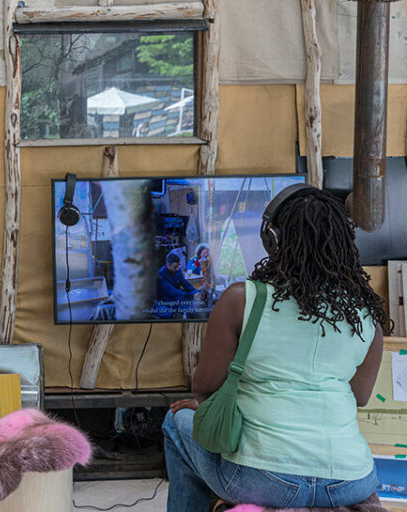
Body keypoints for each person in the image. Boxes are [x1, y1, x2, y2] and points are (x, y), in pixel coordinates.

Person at [163, 186, 390, 511]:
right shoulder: (366, 315)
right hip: (351, 481)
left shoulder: (242, 300)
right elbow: (360, 397)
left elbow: (205, 387)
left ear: (271, 238)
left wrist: (201, 403)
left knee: (175, 423)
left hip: (264, 478)